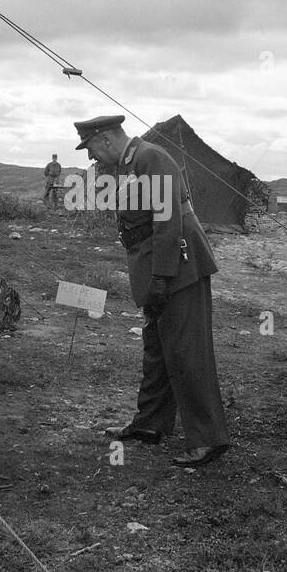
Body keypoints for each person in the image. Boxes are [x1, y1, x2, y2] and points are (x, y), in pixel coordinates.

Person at [76, 115, 231, 468]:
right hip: (157, 266)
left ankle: (208, 438)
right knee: (158, 347)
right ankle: (150, 423)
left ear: (106, 138)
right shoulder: (130, 164)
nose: (91, 157)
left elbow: (167, 219)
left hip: (178, 267)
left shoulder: (151, 157)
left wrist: (162, 276)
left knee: (187, 351)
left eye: (91, 148)